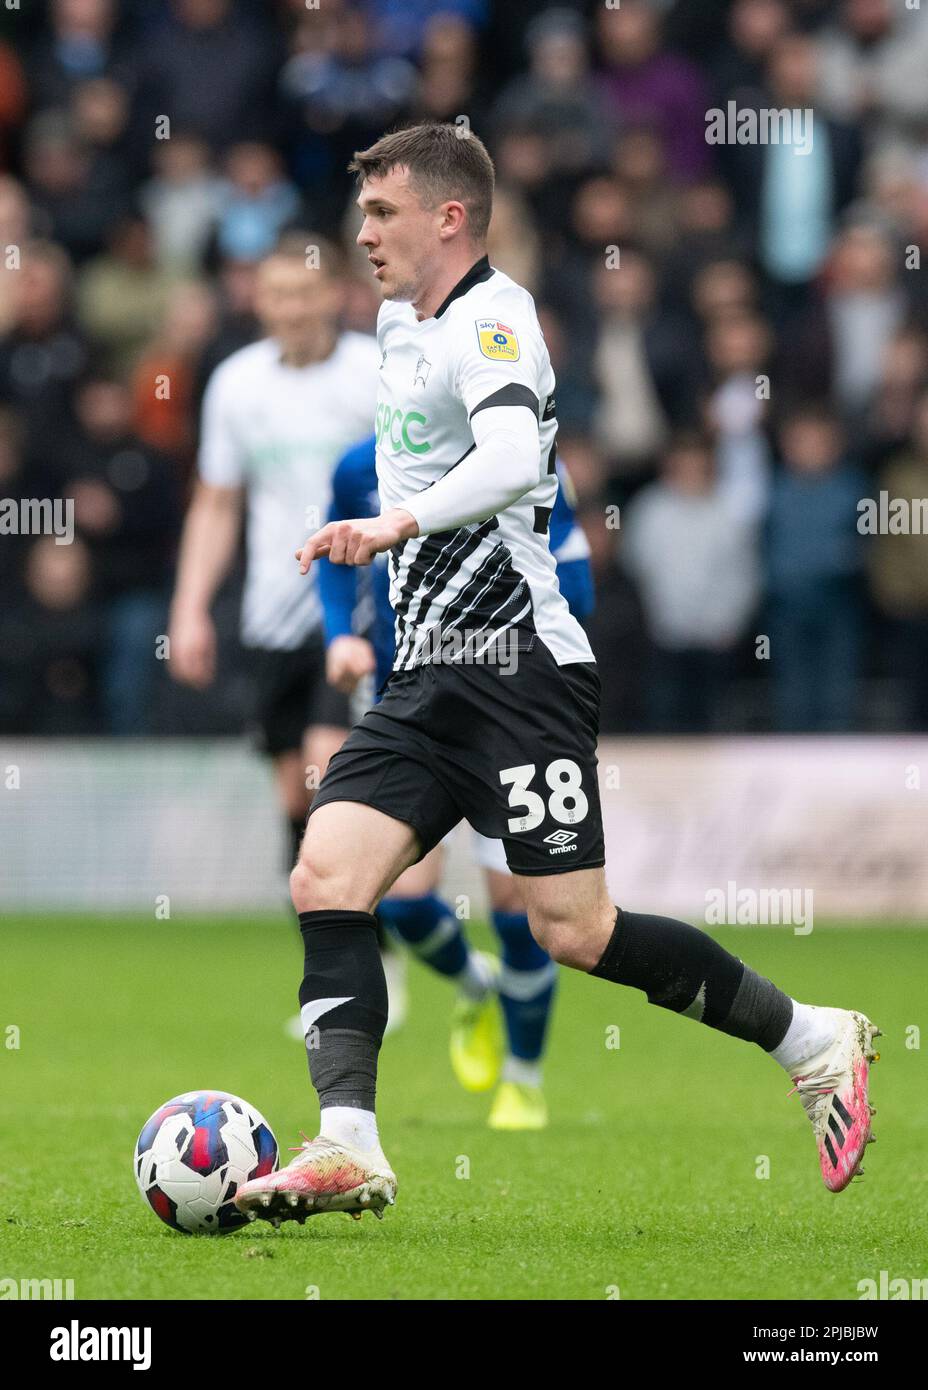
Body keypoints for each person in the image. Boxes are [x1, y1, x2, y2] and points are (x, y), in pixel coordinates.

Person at [234, 124, 880, 1228]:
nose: (361, 234)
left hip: (523, 671)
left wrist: (396, 521)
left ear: (449, 217)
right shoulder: (399, 325)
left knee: (570, 930)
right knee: (325, 878)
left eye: (382, 213)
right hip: (426, 677)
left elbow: (506, 460)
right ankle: (349, 1143)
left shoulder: (495, 317)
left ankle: (809, 1036)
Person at [318, 432, 594, 1129]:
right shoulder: (362, 463)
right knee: (401, 901)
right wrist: (338, 635)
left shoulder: (522, 461)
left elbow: (577, 585)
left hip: (511, 712)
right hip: (406, 702)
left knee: (527, 912)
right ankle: (477, 988)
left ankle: (523, 1080)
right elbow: (333, 552)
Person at [167, 236, 379, 867]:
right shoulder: (236, 384)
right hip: (271, 612)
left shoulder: (376, 372)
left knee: (328, 766)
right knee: (295, 793)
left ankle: (367, 952)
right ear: (259, 302)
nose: (291, 309)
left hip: (356, 606)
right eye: (278, 295)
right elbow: (217, 503)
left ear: (335, 296)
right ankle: (339, 944)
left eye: (305, 294)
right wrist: (189, 608)